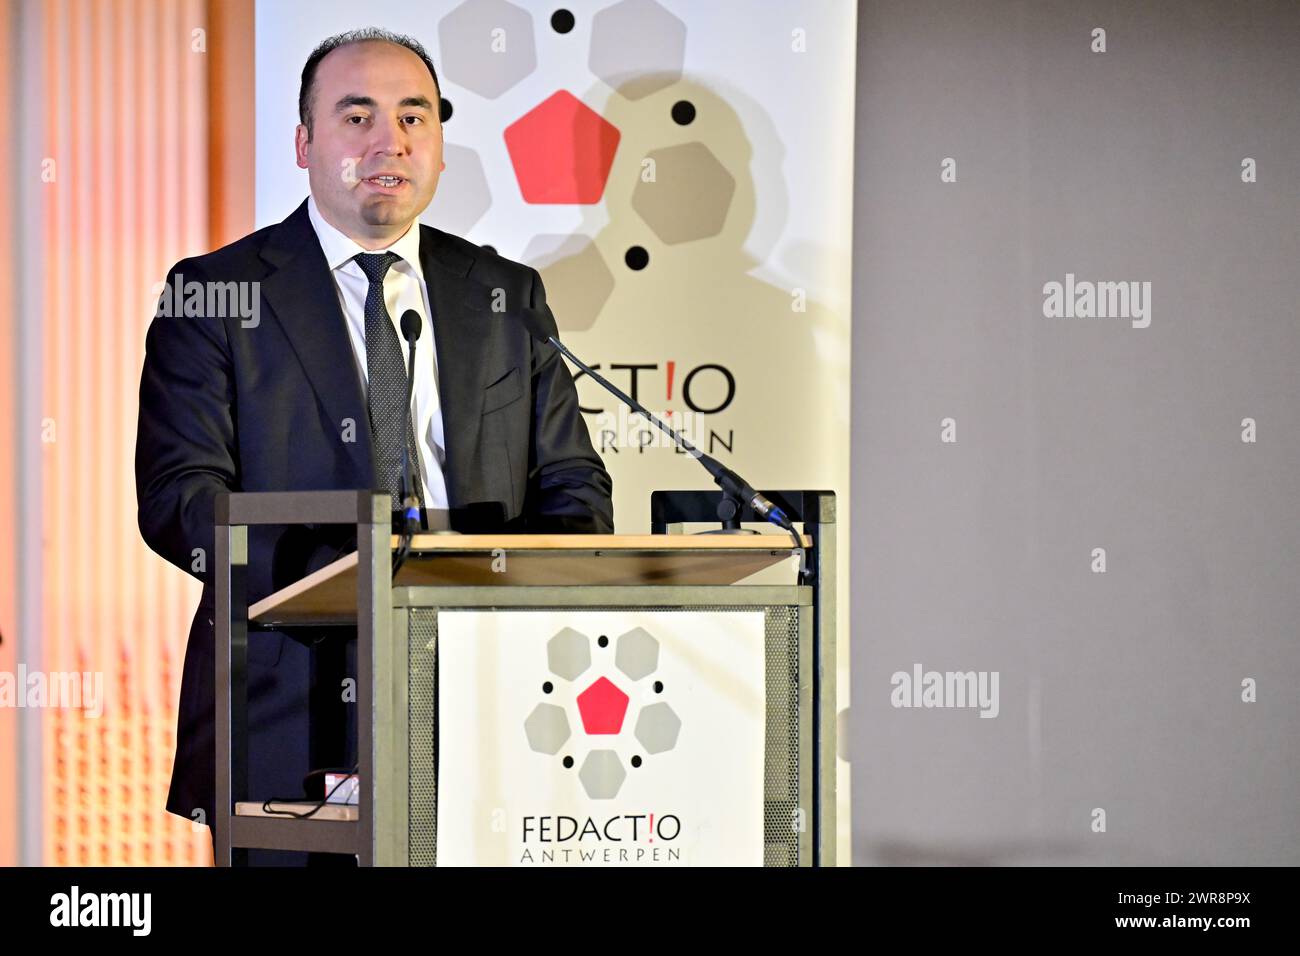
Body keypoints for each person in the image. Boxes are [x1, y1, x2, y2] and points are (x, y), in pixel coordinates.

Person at [134, 27, 614, 853]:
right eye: (356, 117)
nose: (388, 141)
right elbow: (180, 499)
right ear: (304, 143)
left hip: (493, 691)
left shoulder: (502, 292)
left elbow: (574, 485)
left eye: (414, 117)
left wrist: (525, 593)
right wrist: (357, 572)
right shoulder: (215, 293)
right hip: (290, 699)